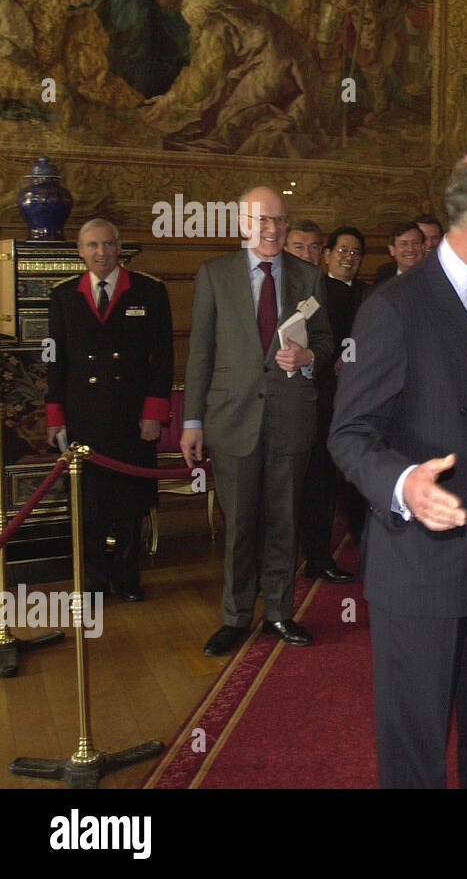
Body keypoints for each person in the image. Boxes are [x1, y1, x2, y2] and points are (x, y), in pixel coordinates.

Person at [329, 144, 467, 789]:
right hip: (421, 563)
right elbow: (349, 434)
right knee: (416, 741)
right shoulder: (394, 308)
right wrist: (403, 483)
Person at [182, 185, 333, 656]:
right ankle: (234, 617)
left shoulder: (309, 277)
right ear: (243, 224)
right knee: (240, 524)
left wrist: (309, 355)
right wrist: (192, 420)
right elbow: (201, 351)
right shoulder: (214, 275)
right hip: (232, 419)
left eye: (280, 220)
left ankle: (280, 614)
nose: (272, 229)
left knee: (284, 521)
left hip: (290, 417)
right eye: (262, 220)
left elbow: (328, 342)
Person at [45, 218, 173, 602]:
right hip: (84, 417)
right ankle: (95, 582)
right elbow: (55, 359)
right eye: (92, 246)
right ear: (80, 251)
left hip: (132, 418)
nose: (101, 252)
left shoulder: (149, 291)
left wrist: (154, 412)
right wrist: (55, 416)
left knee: (130, 503)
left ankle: (128, 579)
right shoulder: (64, 295)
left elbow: (163, 358)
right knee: (90, 506)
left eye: (108, 244)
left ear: (119, 248)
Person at [285, 222, 354, 584]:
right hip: (280, 406)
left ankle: (318, 555)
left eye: (314, 248)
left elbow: (333, 341)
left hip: (322, 400)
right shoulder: (275, 287)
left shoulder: (328, 291)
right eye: (300, 247)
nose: (308, 255)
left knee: (320, 484)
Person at [322, 226, 370, 543]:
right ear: (327, 254)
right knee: (325, 468)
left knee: (360, 459)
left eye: (354, 252)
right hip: (325, 390)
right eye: (342, 250)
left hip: (363, 390)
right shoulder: (315, 291)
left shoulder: (370, 293)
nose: (348, 257)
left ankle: (360, 527)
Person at [372, 220, 424, 287]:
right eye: (404, 244)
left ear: (423, 247)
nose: (410, 249)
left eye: (416, 243)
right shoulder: (383, 276)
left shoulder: (434, 276)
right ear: (392, 250)